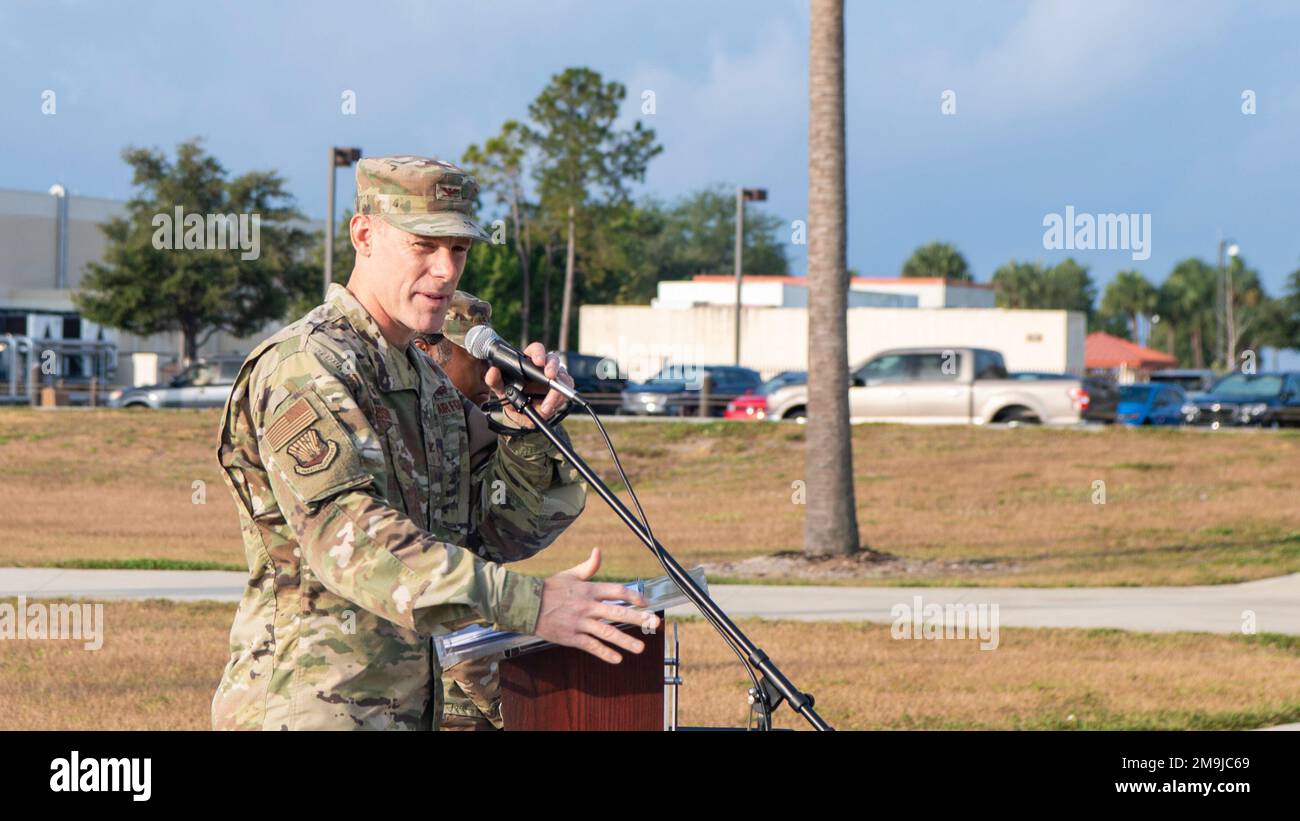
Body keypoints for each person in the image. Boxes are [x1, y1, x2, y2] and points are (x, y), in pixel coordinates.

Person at [212, 155, 655, 730]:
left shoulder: (426, 382)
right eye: (425, 245)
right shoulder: (307, 366)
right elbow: (353, 543)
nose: (447, 270)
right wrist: (531, 605)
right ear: (364, 235)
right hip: (312, 709)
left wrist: (525, 430)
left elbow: (492, 531)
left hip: (409, 710)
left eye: (460, 249)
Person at [413, 291, 581, 731]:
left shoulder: (476, 423)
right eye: (474, 356)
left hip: (462, 688)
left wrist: (527, 428)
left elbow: (514, 529)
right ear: (426, 350)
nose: (487, 372)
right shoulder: (375, 413)